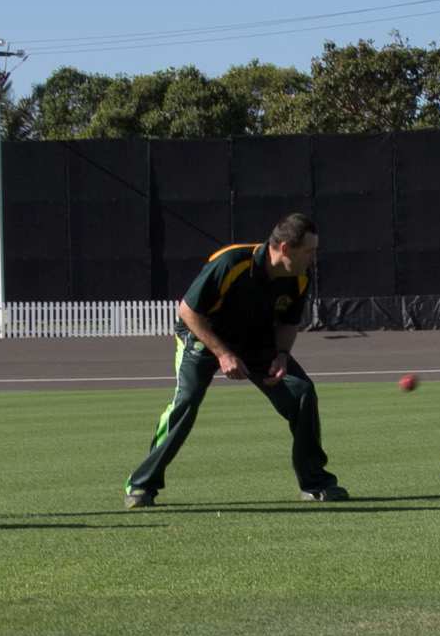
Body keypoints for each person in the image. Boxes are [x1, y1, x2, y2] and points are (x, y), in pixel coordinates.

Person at [123, 213, 346, 507]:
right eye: (309, 251)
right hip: (202, 336)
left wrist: (281, 355)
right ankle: (141, 486)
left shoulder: (299, 277)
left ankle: (315, 483)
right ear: (284, 249)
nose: (314, 258)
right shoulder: (231, 263)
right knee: (186, 401)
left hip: (255, 341)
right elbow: (188, 312)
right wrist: (223, 353)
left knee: (301, 393)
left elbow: (289, 322)